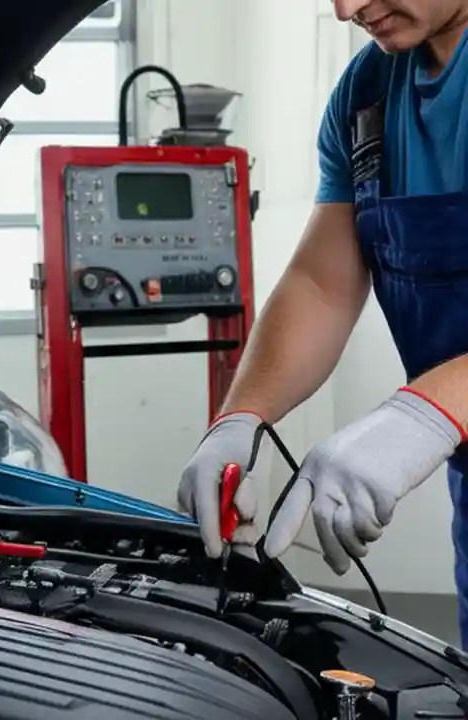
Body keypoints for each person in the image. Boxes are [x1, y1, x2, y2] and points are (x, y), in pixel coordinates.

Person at [178, 0, 468, 644]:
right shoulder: (368, 92)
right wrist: (242, 417)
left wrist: (426, 414)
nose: (346, 9)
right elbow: (322, 284)